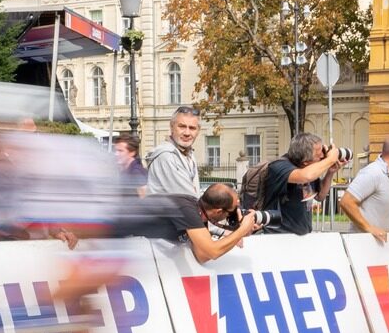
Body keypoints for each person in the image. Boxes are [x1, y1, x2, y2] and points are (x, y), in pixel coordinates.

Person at [132, 182, 264, 264]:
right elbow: (213, 251)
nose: (234, 214)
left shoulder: (199, 213)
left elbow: (202, 256)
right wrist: (241, 230)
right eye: (232, 211)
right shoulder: (186, 209)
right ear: (218, 211)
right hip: (119, 240)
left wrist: (238, 233)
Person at [257, 133, 349, 236]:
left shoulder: (309, 168)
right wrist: (331, 159)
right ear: (305, 162)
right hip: (278, 236)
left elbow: (320, 196)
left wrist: (330, 172)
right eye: (319, 155)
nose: (323, 156)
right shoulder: (278, 167)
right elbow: (306, 176)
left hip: (302, 235)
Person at [339, 133, 389, 244]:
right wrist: (369, 228)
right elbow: (346, 202)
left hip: (380, 241)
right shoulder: (372, 172)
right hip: (363, 242)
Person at [144, 106, 203, 199]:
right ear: (172, 127)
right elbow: (187, 198)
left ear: (198, 131)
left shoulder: (187, 153)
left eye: (192, 128)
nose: (187, 133)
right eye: (182, 126)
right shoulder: (167, 156)